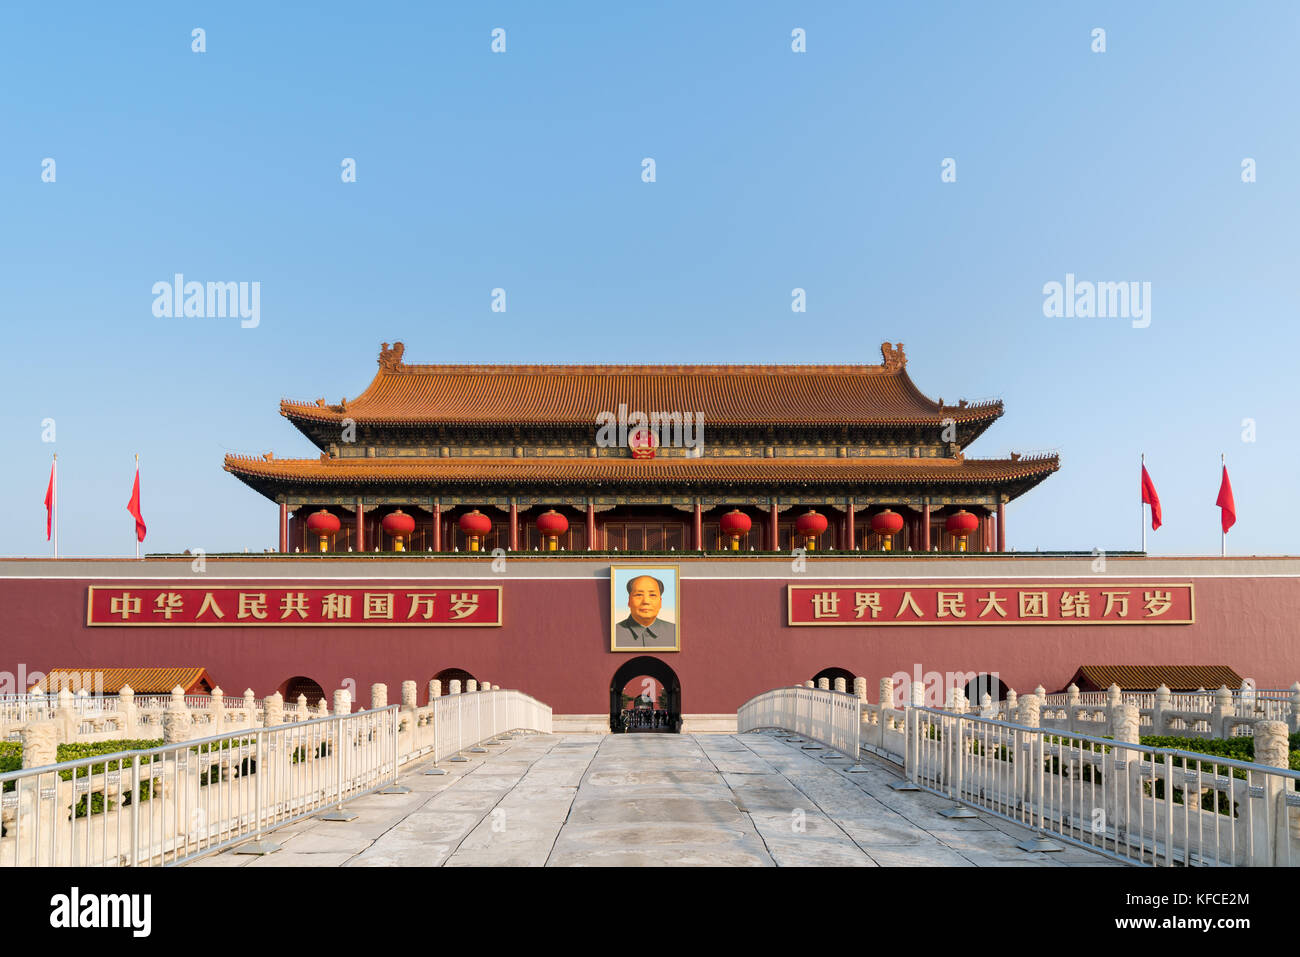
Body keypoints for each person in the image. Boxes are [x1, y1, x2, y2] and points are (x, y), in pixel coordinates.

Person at [614, 574, 676, 648]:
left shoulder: (675, 632)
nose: (646, 601)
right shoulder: (613, 633)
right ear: (629, 601)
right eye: (639, 595)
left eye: (652, 595)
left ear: (660, 602)